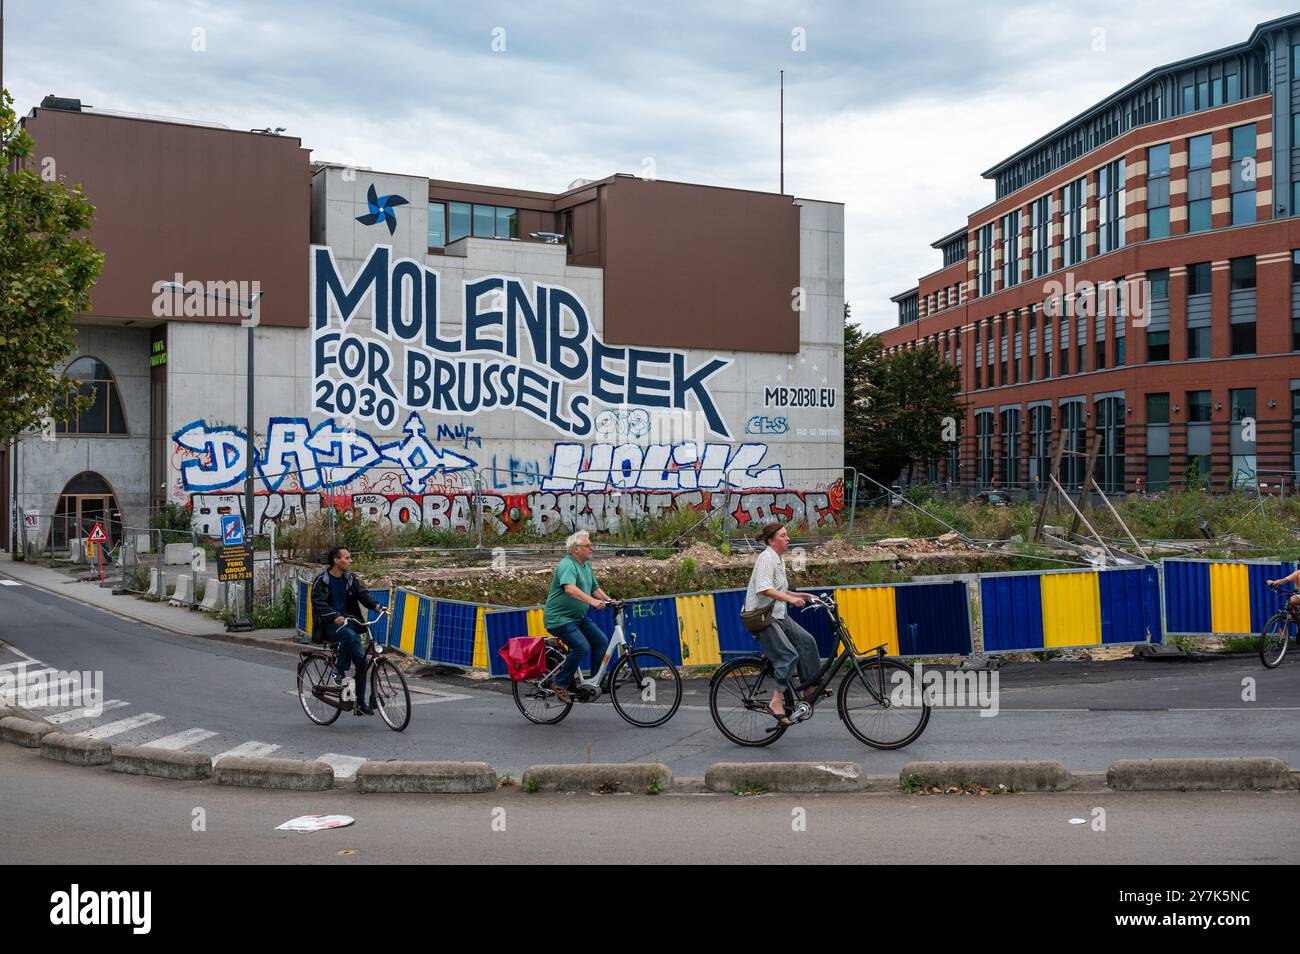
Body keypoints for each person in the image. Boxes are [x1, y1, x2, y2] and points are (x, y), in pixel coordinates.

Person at [743, 522, 824, 726]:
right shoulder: (766, 558)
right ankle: (776, 702)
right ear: (772, 541)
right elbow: (763, 589)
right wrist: (790, 600)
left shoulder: (778, 559)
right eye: (783, 535)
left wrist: (800, 595)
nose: (788, 539)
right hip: (761, 616)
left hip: (777, 614)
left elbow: (779, 589)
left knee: (807, 642)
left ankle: (809, 689)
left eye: (787, 535)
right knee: (789, 656)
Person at [543, 531, 616, 704]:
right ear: (576, 549)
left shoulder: (586, 565)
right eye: (587, 545)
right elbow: (569, 588)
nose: (592, 548)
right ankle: (559, 683)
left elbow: (594, 588)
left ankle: (596, 681)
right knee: (581, 647)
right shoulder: (567, 565)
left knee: (601, 641)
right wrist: (592, 602)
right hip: (559, 619)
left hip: (578, 617)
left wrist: (610, 601)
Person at [309, 546, 383, 716]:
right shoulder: (322, 581)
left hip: (349, 623)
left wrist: (377, 607)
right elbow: (318, 603)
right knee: (349, 635)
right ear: (336, 560)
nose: (351, 561)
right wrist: (334, 615)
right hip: (329, 626)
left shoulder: (349, 578)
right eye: (347, 558)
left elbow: (362, 595)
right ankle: (339, 670)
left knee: (362, 664)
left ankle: (360, 703)